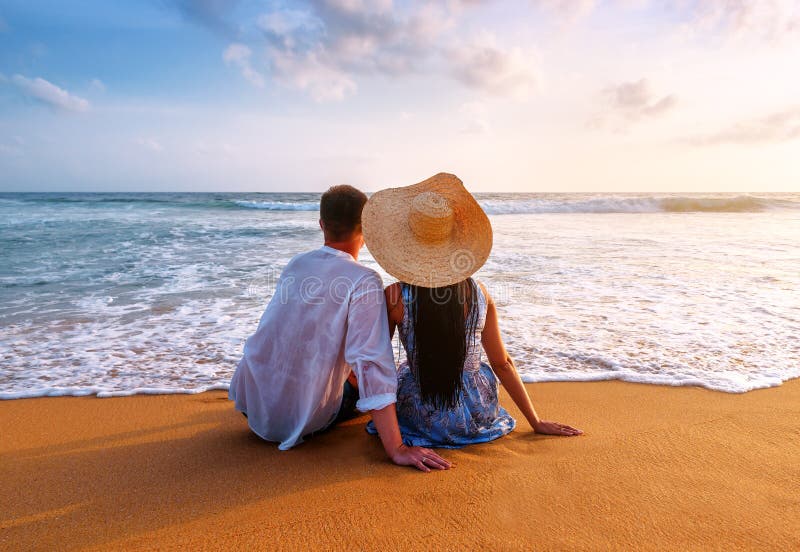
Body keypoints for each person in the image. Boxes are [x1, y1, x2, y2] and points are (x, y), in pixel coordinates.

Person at [229, 184, 450, 472]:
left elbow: (279, 332)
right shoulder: (364, 280)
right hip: (302, 419)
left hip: (252, 403)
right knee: (369, 380)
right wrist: (396, 448)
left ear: (322, 225)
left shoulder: (297, 264)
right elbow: (371, 361)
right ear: (366, 230)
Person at [361, 173, 582, 447]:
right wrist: (536, 422)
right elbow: (502, 363)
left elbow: (380, 364)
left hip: (423, 412)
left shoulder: (395, 296)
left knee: (404, 373)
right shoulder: (479, 293)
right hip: (476, 414)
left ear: (407, 242)